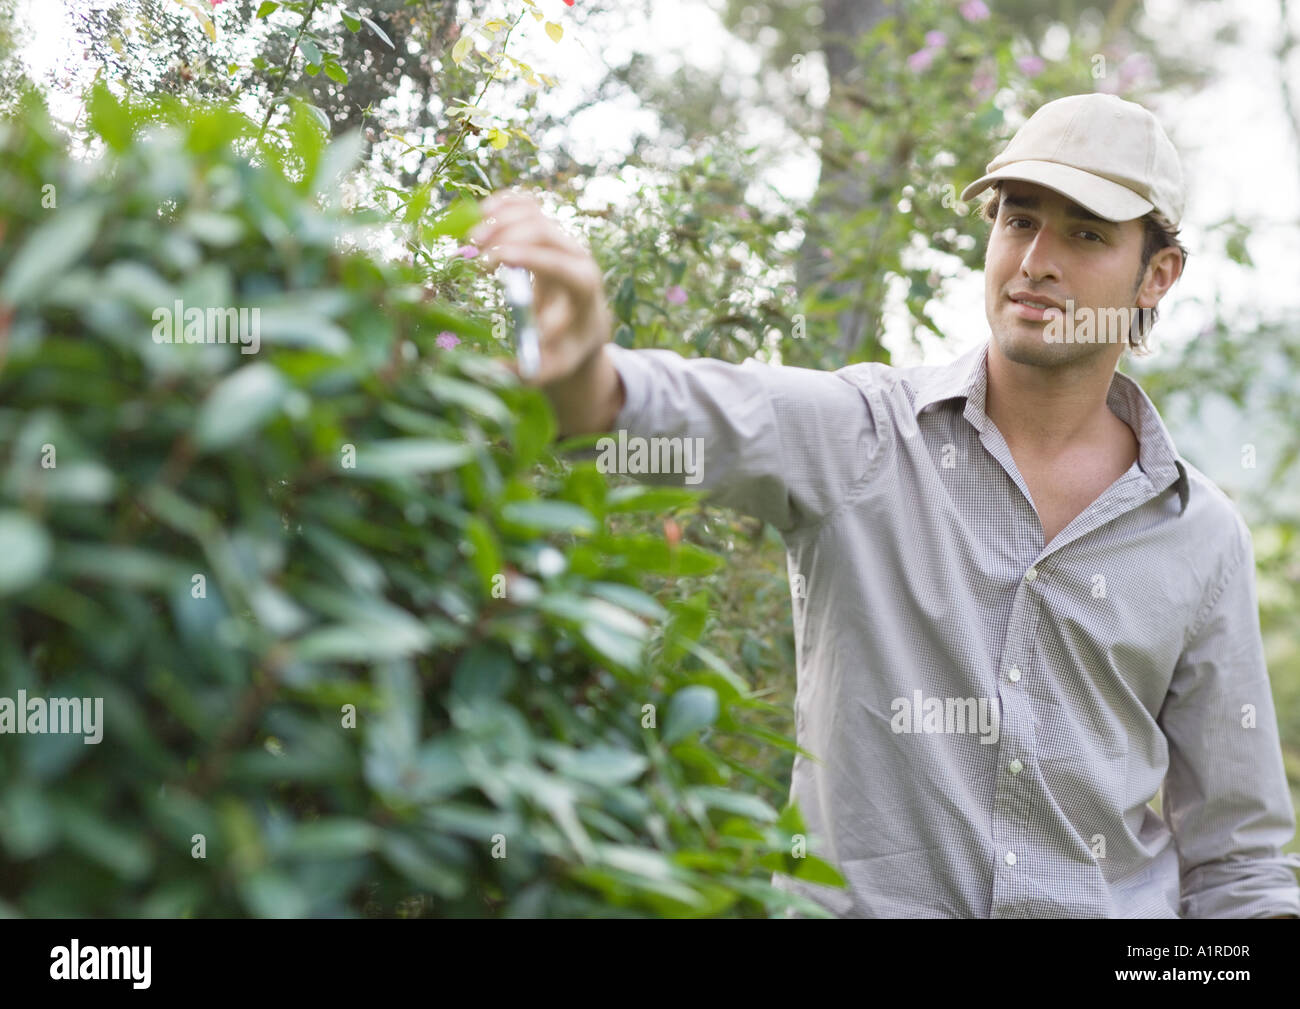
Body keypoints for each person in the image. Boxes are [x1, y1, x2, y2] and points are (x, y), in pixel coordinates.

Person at [466, 92, 1300, 918]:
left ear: (1158, 273)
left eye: (1085, 233)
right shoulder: (863, 438)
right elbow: (656, 413)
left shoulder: (1200, 533)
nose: (1036, 260)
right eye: (1018, 219)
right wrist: (578, 372)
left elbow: (1241, 864)